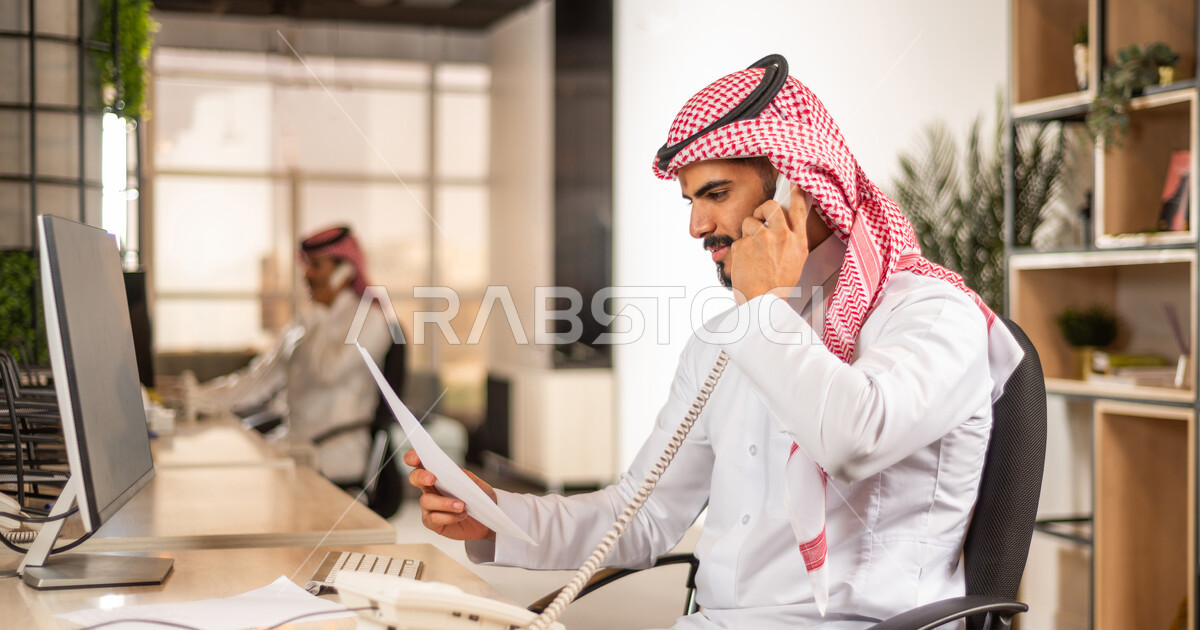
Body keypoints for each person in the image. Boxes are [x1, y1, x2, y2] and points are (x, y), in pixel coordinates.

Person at [406, 55, 1023, 628]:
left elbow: (853, 438)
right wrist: (494, 515)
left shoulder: (934, 314)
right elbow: (642, 515)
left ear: (795, 189)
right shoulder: (722, 340)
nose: (697, 225)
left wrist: (761, 309)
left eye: (716, 194)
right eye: (690, 201)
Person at [187, 226, 393, 481]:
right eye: (306, 265)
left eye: (316, 266)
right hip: (293, 440)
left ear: (345, 271)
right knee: (230, 459)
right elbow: (257, 380)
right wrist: (197, 397)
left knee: (245, 473)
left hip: (336, 448)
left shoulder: (369, 319)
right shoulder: (304, 320)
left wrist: (320, 315)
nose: (306, 274)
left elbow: (327, 372)